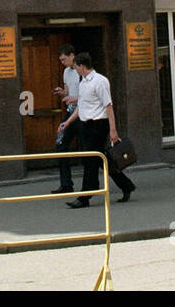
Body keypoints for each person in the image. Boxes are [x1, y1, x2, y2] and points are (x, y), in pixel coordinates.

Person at [57, 53, 134, 207]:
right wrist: (68, 122)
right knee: (102, 160)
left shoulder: (100, 81)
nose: (76, 70)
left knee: (89, 160)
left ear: (82, 66)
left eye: (77, 67)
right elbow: (81, 106)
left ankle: (85, 196)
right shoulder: (83, 82)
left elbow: (108, 106)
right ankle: (126, 186)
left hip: (99, 125)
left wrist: (113, 130)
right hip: (86, 125)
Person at [51, 45, 81, 194]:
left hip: (82, 112)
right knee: (61, 145)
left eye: (64, 59)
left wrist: (73, 97)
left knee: (94, 150)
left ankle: (120, 178)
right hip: (71, 111)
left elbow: (88, 95)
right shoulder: (66, 72)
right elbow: (68, 91)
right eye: (61, 60)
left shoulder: (82, 71)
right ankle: (66, 184)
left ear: (72, 55)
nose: (62, 63)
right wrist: (62, 93)